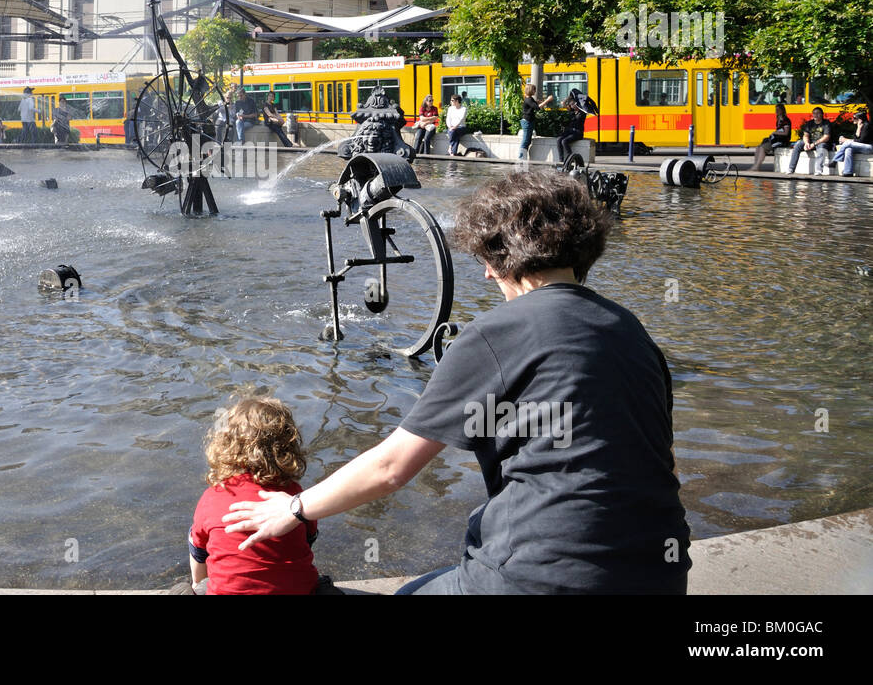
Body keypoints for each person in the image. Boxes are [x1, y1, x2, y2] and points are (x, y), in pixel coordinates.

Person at [222, 171, 691, 594]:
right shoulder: (631, 330)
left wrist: (294, 509)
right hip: (662, 575)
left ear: (510, 253)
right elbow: (661, 462)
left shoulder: (499, 332)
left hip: (544, 578)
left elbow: (391, 468)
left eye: (489, 256)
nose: (487, 273)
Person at [188, 397, 319, 595]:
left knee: (184, 589)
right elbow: (307, 542)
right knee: (322, 584)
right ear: (288, 447)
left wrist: (199, 584)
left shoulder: (212, 496)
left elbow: (199, 552)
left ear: (226, 444)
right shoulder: (293, 496)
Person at [785, 107, 833, 175]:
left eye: (818, 113)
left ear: (822, 114)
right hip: (810, 142)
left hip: (820, 142)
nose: (815, 115)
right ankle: (791, 169)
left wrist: (814, 144)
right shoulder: (809, 123)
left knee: (822, 147)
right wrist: (806, 143)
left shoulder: (826, 123)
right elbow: (805, 135)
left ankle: (818, 171)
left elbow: (826, 137)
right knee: (798, 144)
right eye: (814, 113)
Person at [750, 102, 793, 171]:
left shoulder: (785, 120)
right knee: (758, 147)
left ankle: (757, 166)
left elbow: (786, 133)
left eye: (778, 110)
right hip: (776, 140)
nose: (776, 111)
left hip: (782, 141)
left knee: (762, 148)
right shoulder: (778, 120)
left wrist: (775, 132)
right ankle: (755, 165)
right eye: (776, 110)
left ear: (782, 110)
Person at [829, 109, 873, 177]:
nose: (853, 119)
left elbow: (862, 141)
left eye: (855, 118)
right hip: (862, 147)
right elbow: (856, 139)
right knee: (848, 149)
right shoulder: (860, 126)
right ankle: (848, 172)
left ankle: (835, 160)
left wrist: (846, 140)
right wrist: (858, 128)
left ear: (860, 119)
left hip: (869, 147)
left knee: (847, 143)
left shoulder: (867, 126)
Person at [517, 83, 554, 159]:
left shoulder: (529, 98)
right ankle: (521, 158)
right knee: (525, 141)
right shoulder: (528, 99)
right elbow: (537, 108)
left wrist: (538, 101)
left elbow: (534, 104)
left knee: (527, 141)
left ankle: (523, 158)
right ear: (530, 90)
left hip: (528, 121)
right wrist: (547, 100)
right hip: (527, 122)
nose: (535, 91)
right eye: (534, 89)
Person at [555, 95, 588, 163]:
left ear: (577, 104)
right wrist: (568, 98)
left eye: (573, 104)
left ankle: (571, 159)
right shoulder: (572, 111)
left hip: (578, 132)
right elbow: (563, 104)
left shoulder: (582, 113)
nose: (571, 105)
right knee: (558, 140)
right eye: (571, 104)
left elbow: (577, 120)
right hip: (570, 131)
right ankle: (561, 160)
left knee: (564, 141)